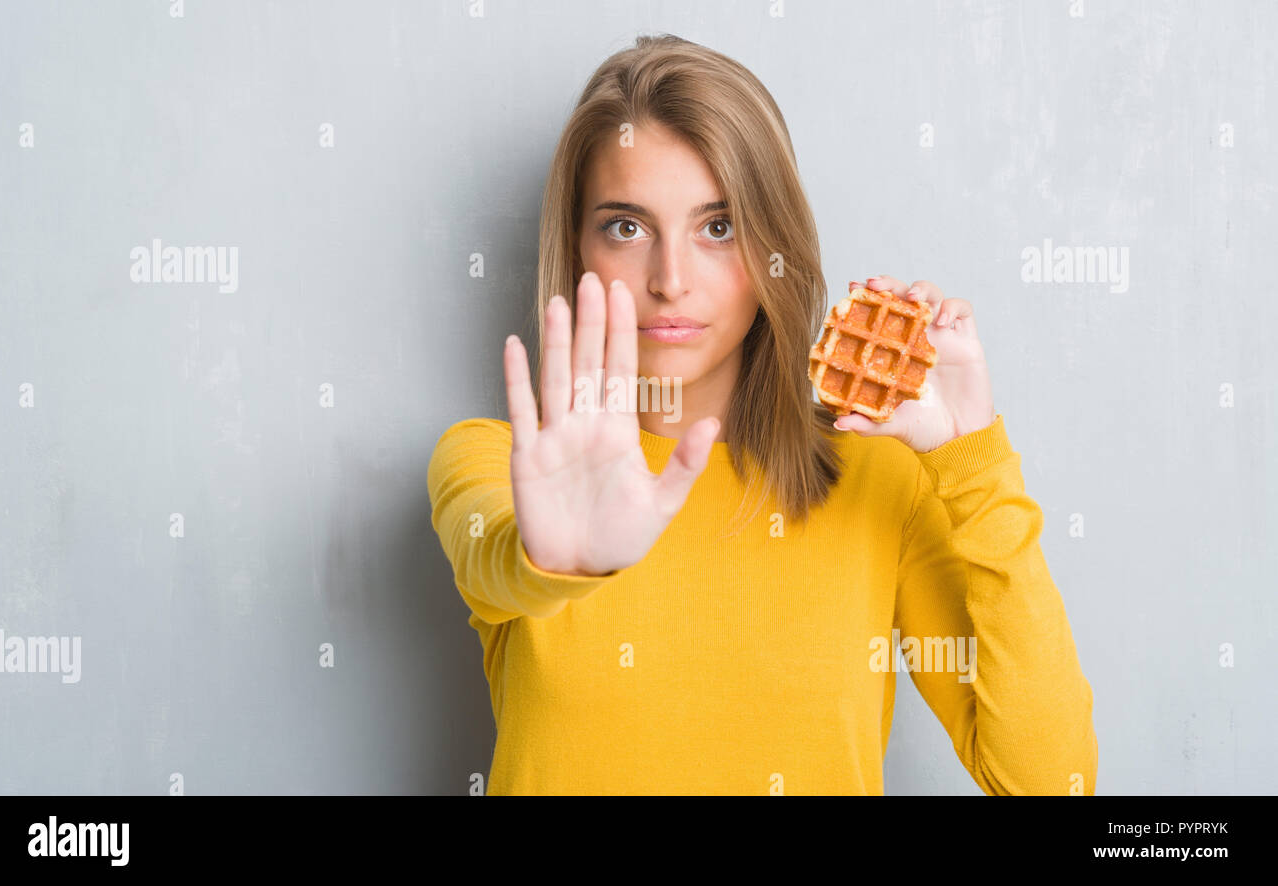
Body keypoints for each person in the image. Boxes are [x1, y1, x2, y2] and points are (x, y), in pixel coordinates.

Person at [426, 33, 1098, 795]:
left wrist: (972, 458)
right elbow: (498, 568)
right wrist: (560, 562)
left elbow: (1051, 783)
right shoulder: (496, 464)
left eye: (719, 227)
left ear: (775, 245)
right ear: (576, 248)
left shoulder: (879, 481)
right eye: (626, 226)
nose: (670, 280)